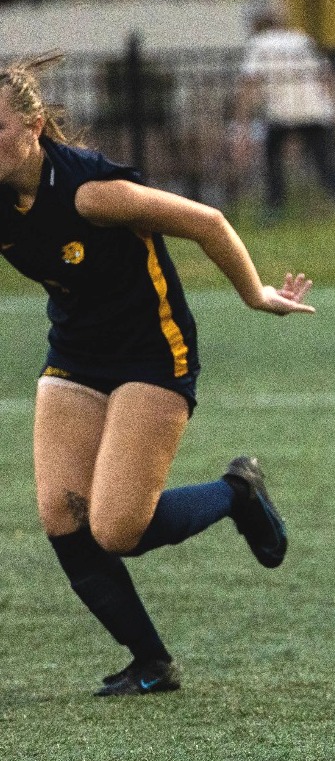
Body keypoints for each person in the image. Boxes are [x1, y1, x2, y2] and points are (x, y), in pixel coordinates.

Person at [0, 54, 314, 697]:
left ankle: (237, 492)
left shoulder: (90, 192)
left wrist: (256, 295)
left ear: (32, 126)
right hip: (76, 354)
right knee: (62, 514)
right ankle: (151, 662)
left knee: (118, 529)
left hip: (153, 352)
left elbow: (207, 221)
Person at [237, 8, 335, 222]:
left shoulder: (259, 43)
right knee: (325, 164)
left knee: (272, 159)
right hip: (316, 108)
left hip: (282, 110)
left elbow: (249, 81)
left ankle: (274, 209)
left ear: (257, 26)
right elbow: (325, 74)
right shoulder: (300, 39)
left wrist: (242, 121)